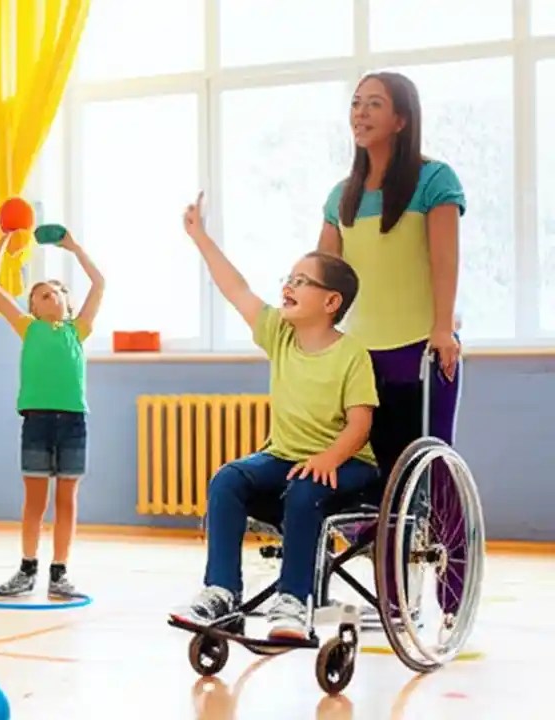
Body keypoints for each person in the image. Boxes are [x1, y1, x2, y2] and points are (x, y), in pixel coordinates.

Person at [171, 192, 380, 639]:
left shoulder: (352, 354)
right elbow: (235, 289)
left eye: (302, 281)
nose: (288, 285)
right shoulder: (279, 334)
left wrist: (327, 460)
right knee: (228, 478)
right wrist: (200, 238)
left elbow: (361, 423)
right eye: (290, 277)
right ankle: (221, 592)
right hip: (285, 457)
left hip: (347, 465)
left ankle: (293, 601)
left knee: (306, 487)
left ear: (331, 302)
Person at [317, 71, 467, 617]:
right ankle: (392, 599)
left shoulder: (434, 181)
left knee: (432, 473)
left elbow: (445, 262)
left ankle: (449, 600)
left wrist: (443, 326)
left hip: (424, 349)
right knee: (379, 485)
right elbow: (327, 275)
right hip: (360, 356)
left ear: (401, 119)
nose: (360, 113)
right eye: (355, 103)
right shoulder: (342, 196)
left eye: (373, 104)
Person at [0, 228, 104, 599]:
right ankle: (27, 569)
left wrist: (74, 247)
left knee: (67, 499)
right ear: (33, 307)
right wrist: (3, 240)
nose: (50, 297)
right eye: (41, 295)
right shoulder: (28, 328)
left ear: (66, 302)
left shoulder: (78, 330)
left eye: (55, 293)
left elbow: (99, 282)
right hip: (36, 422)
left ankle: (59, 573)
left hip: (73, 424)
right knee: (35, 500)